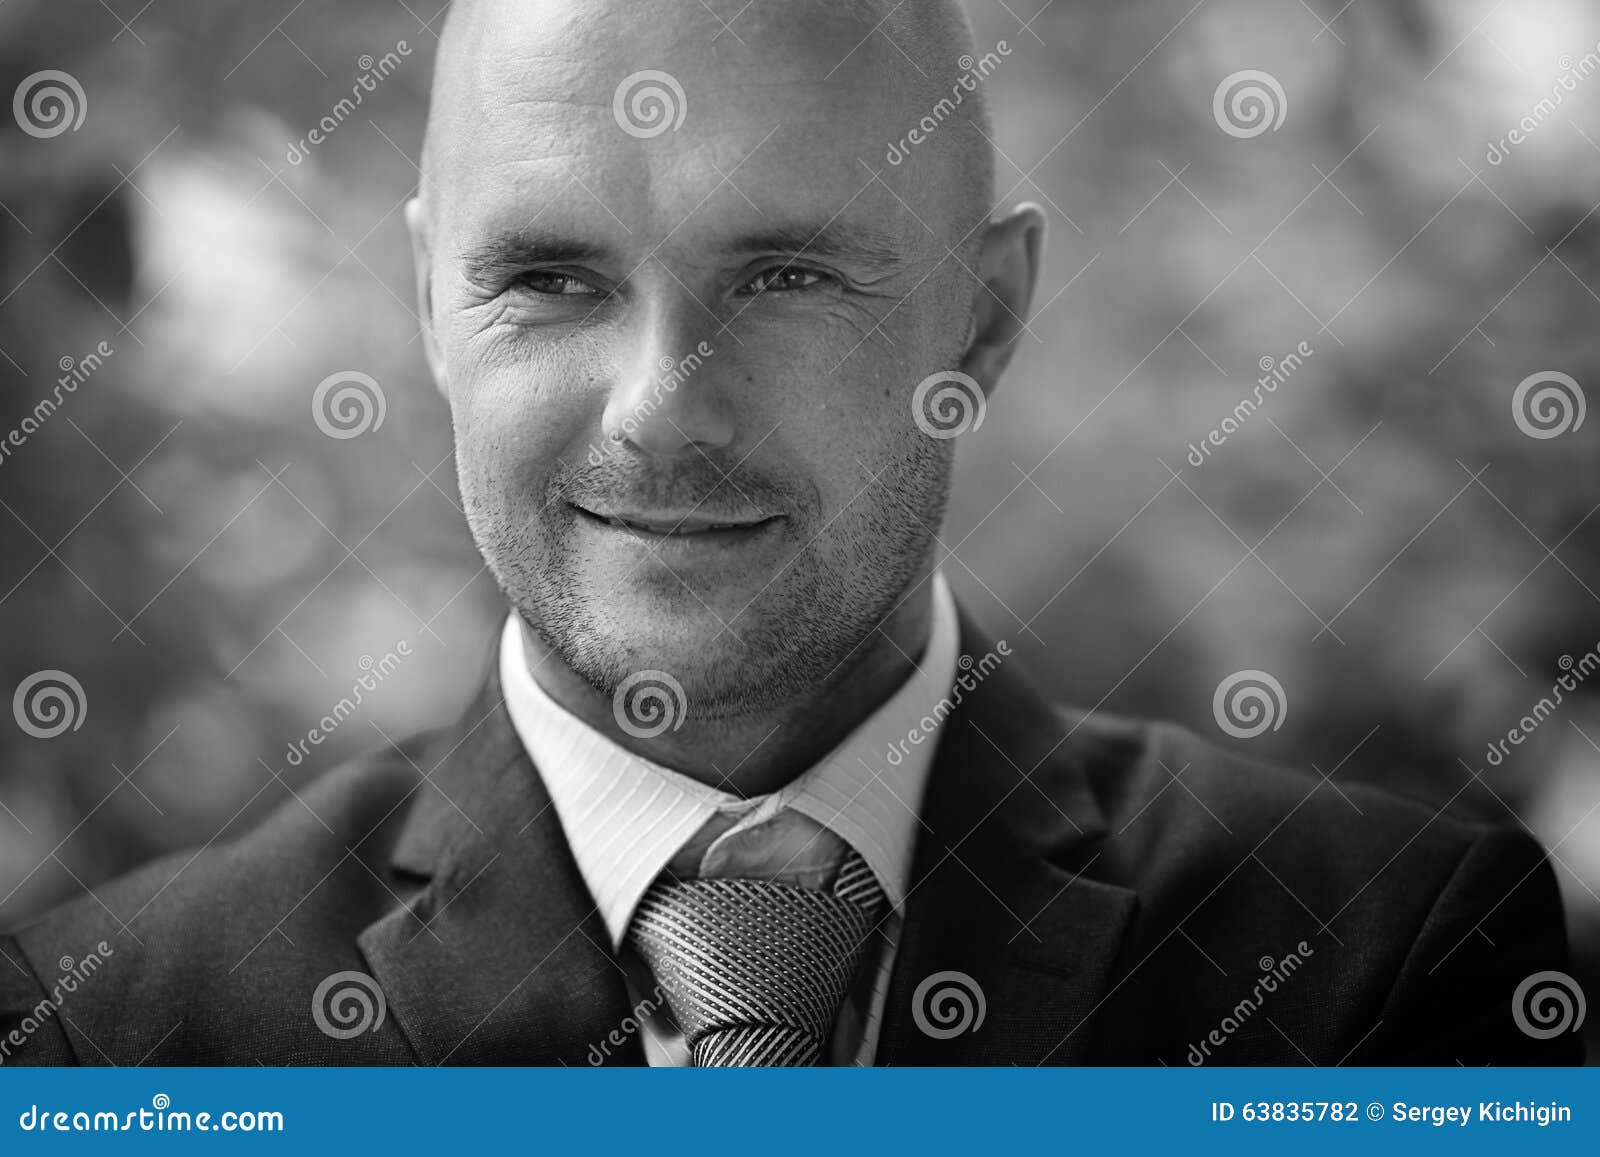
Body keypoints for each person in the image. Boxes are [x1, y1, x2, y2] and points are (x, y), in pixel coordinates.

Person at [0, 0, 1580, 1066]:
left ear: (983, 316)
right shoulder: (112, 1035)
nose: (657, 410)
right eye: (547, 279)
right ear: (429, 305)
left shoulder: (1380, 965)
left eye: (785, 279)